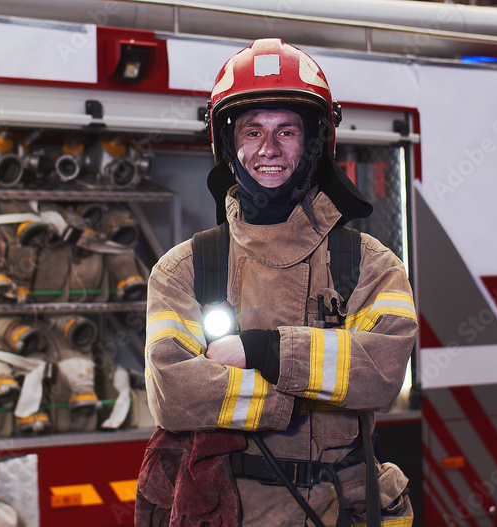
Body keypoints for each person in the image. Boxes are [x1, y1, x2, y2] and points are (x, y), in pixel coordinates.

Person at [135, 38, 417, 527]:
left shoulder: (369, 264)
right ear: (229, 144)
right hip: (227, 512)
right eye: (252, 131)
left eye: (286, 131)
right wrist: (303, 398)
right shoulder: (183, 268)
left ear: (315, 141)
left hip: (338, 511)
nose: (268, 149)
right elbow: (174, 393)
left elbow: (382, 375)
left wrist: (262, 351)